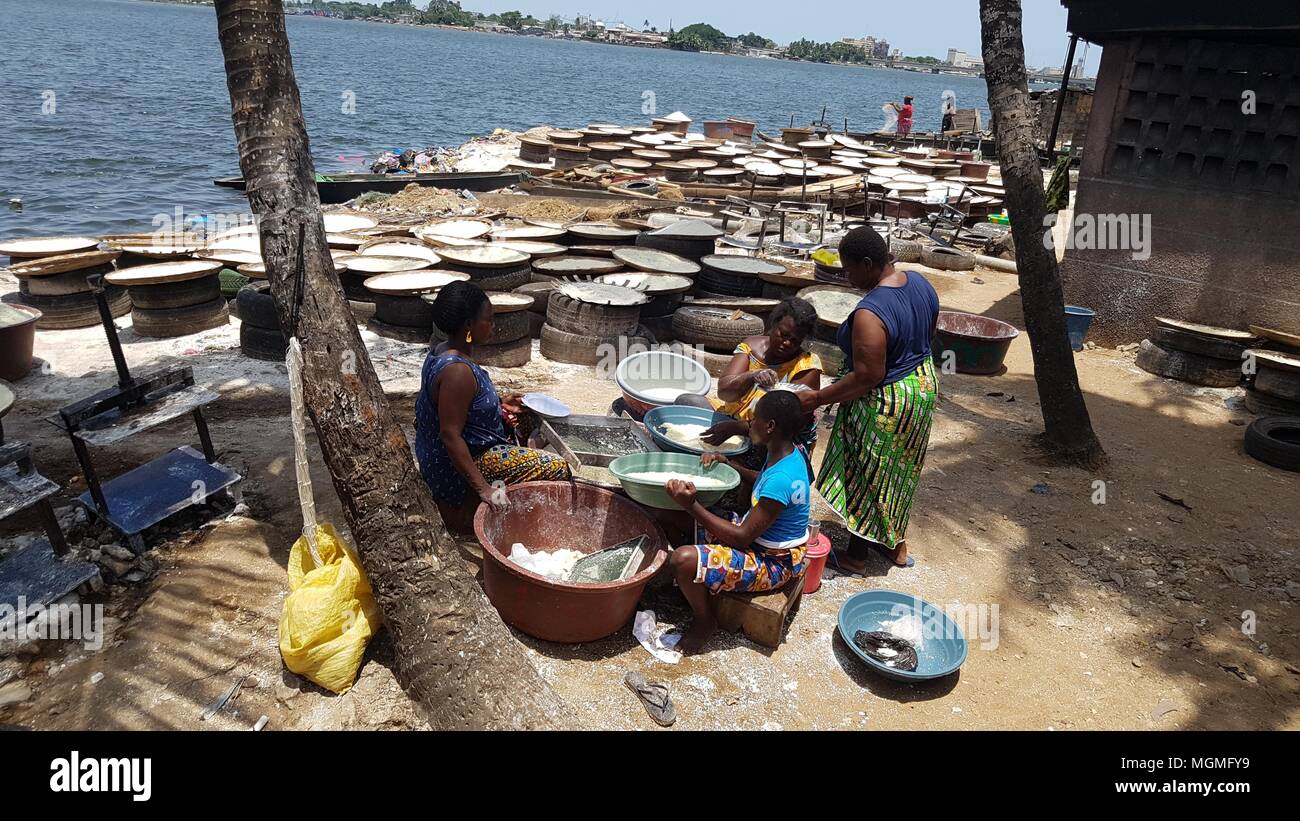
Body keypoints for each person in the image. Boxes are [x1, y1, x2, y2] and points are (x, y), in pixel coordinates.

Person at [797, 226, 939, 570]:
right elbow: (929, 332)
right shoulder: (920, 283)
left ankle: (856, 556)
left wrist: (817, 398)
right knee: (899, 471)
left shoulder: (870, 312)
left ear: (866, 263)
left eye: (849, 270)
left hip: (885, 399)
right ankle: (895, 545)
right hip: (921, 386)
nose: (847, 278)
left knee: (867, 469)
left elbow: (867, 376)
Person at [415, 281, 570, 532]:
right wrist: (484, 490)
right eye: (488, 319)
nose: (494, 326)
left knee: (530, 418)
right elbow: (450, 435)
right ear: (468, 326)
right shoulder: (457, 372)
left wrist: (500, 404)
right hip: (461, 465)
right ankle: (520, 522)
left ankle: (523, 461)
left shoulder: (441, 351)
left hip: (473, 445)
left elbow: (460, 405)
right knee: (557, 468)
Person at [666, 390, 812, 652]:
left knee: (682, 559)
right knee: (670, 515)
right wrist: (729, 464)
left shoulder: (782, 478)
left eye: (754, 419)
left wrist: (692, 505)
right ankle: (695, 588)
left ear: (770, 426)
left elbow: (741, 537)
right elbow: (763, 482)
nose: (749, 425)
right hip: (758, 540)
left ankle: (704, 620)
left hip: (773, 561)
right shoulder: (789, 452)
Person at [692, 298, 822, 459]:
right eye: (783, 334)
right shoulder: (751, 347)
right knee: (689, 401)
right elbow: (725, 393)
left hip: (771, 437)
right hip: (735, 417)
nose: (787, 343)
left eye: (795, 341)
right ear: (773, 325)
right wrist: (752, 376)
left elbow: (786, 425)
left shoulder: (806, 367)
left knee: (755, 453)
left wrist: (737, 428)